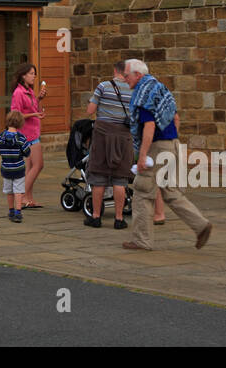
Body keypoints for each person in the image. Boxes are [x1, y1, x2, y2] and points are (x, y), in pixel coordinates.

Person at [121, 59, 213, 252]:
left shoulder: (143, 94)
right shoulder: (161, 89)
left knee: (142, 192)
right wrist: (172, 142)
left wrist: (143, 155)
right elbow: (175, 117)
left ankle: (141, 240)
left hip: (156, 147)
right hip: (172, 143)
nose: (125, 79)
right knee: (170, 192)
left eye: (127, 75)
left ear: (138, 75)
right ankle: (200, 224)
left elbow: (149, 126)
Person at [83, 59, 136, 229]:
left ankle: (96, 217)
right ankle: (119, 219)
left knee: (99, 177)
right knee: (120, 179)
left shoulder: (103, 86)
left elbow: (90, 111)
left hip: (102, 136)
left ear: (115, 70)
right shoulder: (133, 90)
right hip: (123, 137)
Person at [10, 63, 48, 209]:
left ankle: (28, 199)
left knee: (31, 167)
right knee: (39, 165)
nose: (34, 76)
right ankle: (20, 196)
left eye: (34, 74)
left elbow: (34, 108)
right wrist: (34, 114)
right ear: (23, 76)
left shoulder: (30, 91)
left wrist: (39, 99)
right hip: (26, 135)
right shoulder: (18, 93)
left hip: (33, 132)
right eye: (31, 73)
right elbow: (16, 115)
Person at [0, 110, 32, 223]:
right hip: (18, 169)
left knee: (9, 191)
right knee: (18, 190)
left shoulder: (1, 137)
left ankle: (11, 211)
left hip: (6, 168)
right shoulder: (21, 137)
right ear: (20, 123)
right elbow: (27, 152)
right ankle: (18, 212)